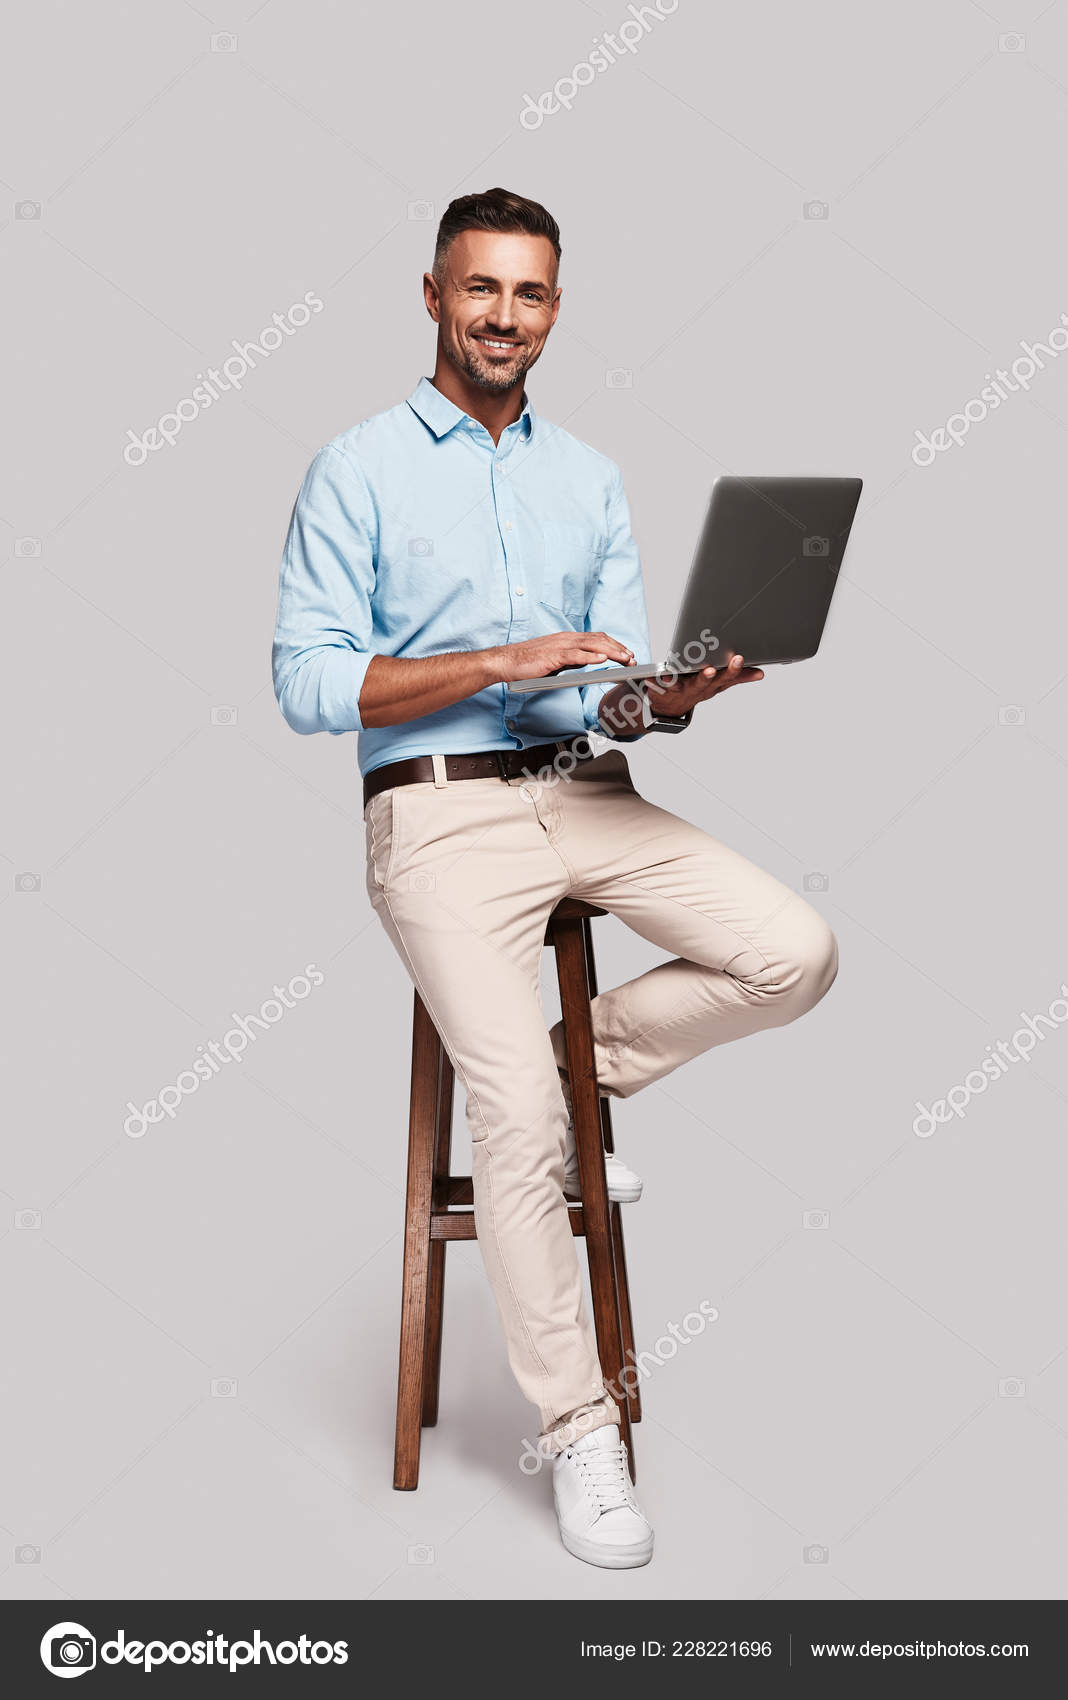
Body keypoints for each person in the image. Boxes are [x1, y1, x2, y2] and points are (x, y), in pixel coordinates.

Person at [272, 187, 838, 1569]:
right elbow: (304, 684)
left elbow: (597, 698)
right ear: (431, 296)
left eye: (529, 295)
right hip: (438, 816)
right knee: (513, 1121)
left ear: (556, 308)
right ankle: (579, 1430)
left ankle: (566, 1075)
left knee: (796, 952)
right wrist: (493, 663)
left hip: (582, 795)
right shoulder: (355, 468)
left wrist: (673, 694)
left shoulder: (587, 476)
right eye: (481, 291)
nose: (504, 317)